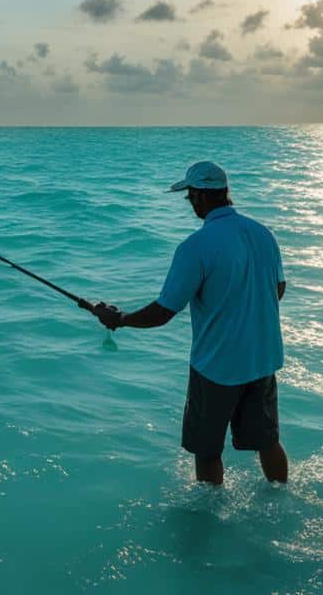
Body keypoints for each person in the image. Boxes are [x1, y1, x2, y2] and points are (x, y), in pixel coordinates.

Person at [87, 161, 288, 485]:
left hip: (217, 366)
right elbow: (278, 288)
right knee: (268, 441)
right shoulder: (263, 234)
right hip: (263, 359)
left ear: (200, 196)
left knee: (207, 451)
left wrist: (120, 319)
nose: (190, 203)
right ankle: (280, 496)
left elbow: (163, 312)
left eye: (190, 197)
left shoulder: (195, 247)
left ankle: (209, 511)